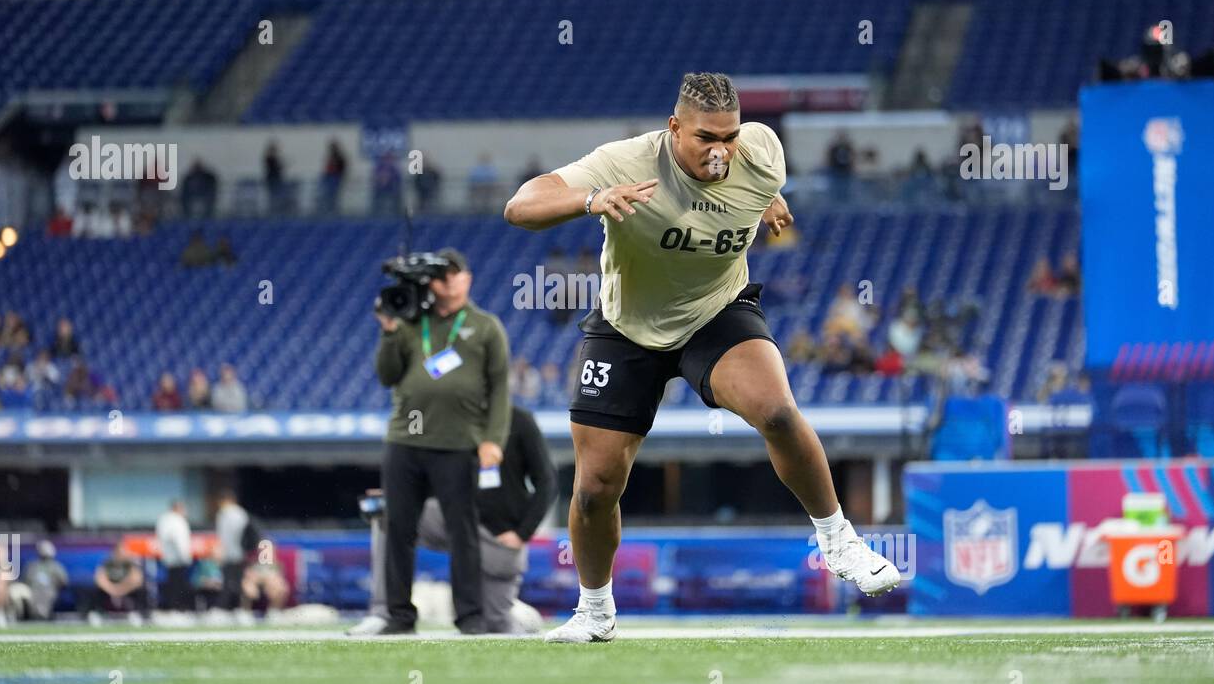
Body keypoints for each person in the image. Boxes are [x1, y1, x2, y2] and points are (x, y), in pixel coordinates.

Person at [504, 71, 901, 643]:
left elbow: (749, 181)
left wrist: (766, 199)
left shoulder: (762, 152)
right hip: (627, 328)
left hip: (715, 311)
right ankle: (595, 610)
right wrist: (591, 200)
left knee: (777, 412)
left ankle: (840, 541)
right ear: (672, 130)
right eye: (704, 139)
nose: (720, 150)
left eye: (728, 137)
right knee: (594, 487)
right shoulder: (625, 161)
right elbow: (520, 206)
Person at [370, 247, 511, 634]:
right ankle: (397, 615)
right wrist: (388, 332)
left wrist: (492, 440)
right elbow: (386, 375)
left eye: (453, 274)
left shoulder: (485, 326)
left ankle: (470, 617)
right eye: (439, 276)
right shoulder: (413, 323)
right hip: (405, 441)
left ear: (467, 278)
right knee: (398, 528)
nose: (446, 282)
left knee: (462, 532)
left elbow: (500, 389)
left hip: (459, 443)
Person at [351, 405, 554, 636]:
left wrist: (522, 533)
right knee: (389, 515)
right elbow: (432, 476)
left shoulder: (519, 420)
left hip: (497, 537)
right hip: (453, 520)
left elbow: (547, 481)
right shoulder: (447, 417)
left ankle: (521, 614)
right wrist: (399, 498)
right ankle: (382, 613)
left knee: (497, 624)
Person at [80, 545, 149, 625]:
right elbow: (100, 579)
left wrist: (121, 590)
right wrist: (112, 590)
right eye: (124, 552)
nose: (127, 554)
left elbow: (137, 580)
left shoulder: (130, 563)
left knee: (142, 589)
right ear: (117, 553)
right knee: (93, 589)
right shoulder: (108, 562)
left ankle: (139, 614)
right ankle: (95, 613)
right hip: (110, 588)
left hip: (125, 588)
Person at [9, 540, 68, 620]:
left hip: (50, 591)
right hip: (33, 591)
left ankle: (43, 613)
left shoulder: (56, 567)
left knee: (46, 594)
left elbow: (64, 582)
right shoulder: (32, 566)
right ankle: (33, 613)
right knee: (30, 595)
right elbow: (25, 581)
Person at [215, 490, 250, 610]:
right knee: (237, 583)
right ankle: (239, 609)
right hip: (240, 554)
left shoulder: (226, 514)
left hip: (231, 555)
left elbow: (225, 537)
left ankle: (226, 609)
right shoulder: (242, 513)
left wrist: (222, 552)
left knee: (229, 583)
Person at [156, 500, 193, 612]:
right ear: (178, 508)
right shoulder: (176, 521)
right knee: (177, 585)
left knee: (172, 583)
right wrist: (185, 556)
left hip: (169, 558)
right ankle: (176, 608)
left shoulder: (164, 520)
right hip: (178, 558)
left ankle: (173, 607)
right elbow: (178, 540)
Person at [320, 140, 348, 215]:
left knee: (334, 195)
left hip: (335, 178)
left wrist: (340, 175)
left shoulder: (339, 156)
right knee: (328, 195)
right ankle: (329, 209)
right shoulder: (330, 156)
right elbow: (327, 168)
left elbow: (342, 167)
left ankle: (333, 210)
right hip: (329, 178)